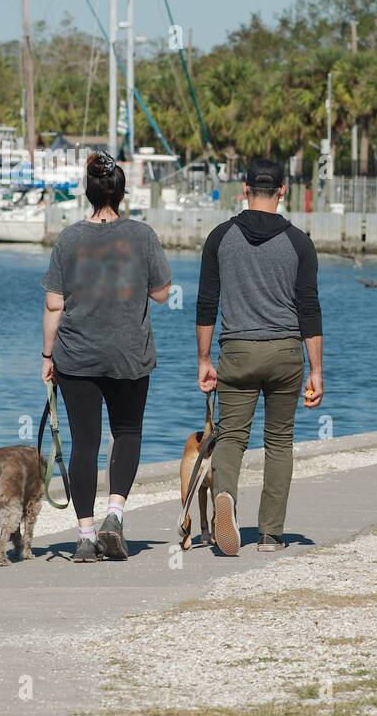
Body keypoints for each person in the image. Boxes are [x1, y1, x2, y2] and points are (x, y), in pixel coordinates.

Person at [41, 150, 172, 562]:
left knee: (84, 443)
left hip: (76, 354)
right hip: (129, 353)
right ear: (121, 193)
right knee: (128, 432)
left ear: (88, 192)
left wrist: (47, 356)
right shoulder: (142, 235)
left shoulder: (69, 238)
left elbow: (53, 305)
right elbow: (162, 293)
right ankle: (115, 514)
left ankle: (84, 535)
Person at [195, 159, 323, 556]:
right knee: (279, 441)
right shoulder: (299, 242)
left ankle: (227, 497)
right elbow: (309, 308)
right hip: (285, 353)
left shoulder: (220, 238)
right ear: (282, 191)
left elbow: (206, 304)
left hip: (237, 350)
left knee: (232, 437)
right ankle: (270, 534)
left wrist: (204, 358)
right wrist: (316, 370)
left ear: (245, 189)